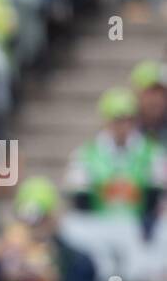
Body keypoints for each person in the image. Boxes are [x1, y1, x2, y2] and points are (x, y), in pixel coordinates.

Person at [65, 87, 166, 223]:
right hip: (98, 229)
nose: (123, 126)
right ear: (106, 119)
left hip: (140, 231)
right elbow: (80, 199)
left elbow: (155, 196)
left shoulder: (152, 153)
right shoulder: (85, 155)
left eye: (128, 119)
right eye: (118, 120)